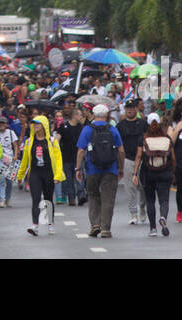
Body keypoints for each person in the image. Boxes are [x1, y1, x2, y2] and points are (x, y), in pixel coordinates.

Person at [75, 103, 123, 238]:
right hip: (110, 168)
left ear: (94, 115)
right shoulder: (112, 129)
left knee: (93, 196)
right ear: (107, 115)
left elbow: (80, 151)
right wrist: (121, 167)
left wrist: (78, 168)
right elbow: (121, 151)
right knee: (108, 198)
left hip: (92, 169)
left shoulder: (87, 130)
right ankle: (106, 228)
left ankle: (95, 224)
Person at [16, 115, 65, 237]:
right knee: (36, 199)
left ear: (44, 126)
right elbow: (25, 161)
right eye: (34, 124)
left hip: (49, 173)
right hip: (35, 173)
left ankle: (50, 223)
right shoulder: (28, 141)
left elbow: (59, 159)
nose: (35, 126)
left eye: (38, 123)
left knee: (48, 199)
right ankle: (35, 226)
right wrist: (20, 175)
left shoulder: (52, 141)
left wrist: (58, 175)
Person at [135, 114, 175, 237]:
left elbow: (138, 156)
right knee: (164, 199)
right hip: (165, 172)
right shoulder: (167, 138)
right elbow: (172, 157)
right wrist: (173, 172)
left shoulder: (144, 138)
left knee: (150, 201)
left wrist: (135, 173)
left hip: (148, 173)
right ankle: (163, 217)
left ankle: (153, 228)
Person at [116, 99, 148, 225]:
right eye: (128, 108)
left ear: (136, 109)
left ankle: (142, 208)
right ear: (125, 110)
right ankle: (133, 213)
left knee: (143, 187)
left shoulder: (143, 124)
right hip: (128, 159)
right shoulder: (120, 125)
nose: (130, 110)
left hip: (142, 159)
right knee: (130, 188)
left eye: (132, 107)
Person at [56, 106, 83, 206]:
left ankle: (81, 196)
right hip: (66, 157)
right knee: (69, 178)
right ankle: (71, 198)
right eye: (80, 115)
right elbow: (57, 139)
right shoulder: (63, 126)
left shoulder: (81, 127)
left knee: (80, 176)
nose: (81, 117)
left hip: (79, 157)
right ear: (75, 115)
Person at [0, 112, 19, 208]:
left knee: (9, 181)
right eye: (0, 123)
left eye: (3, 123)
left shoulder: (10, 133)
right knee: (1, 179)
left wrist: (16, 155)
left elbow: (15, 145)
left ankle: (8, 199)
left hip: (9, 158)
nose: (1, 125)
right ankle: (2, 199)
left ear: (6, 124)